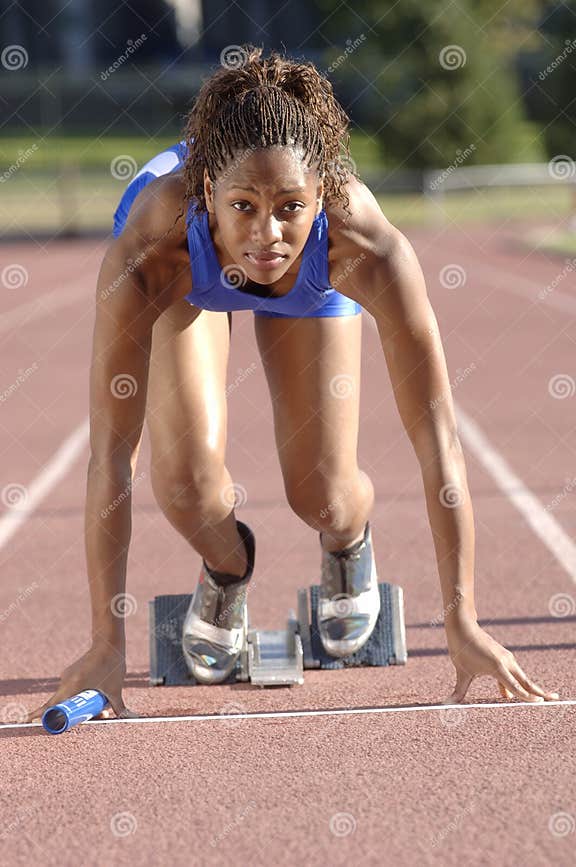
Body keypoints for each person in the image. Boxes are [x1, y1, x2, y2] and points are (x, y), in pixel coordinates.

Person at [27, 45, 559, 722]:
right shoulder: (149, 252)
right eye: (243, 206)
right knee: (184, 487)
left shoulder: (359, 243)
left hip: (313, 292)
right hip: (191, 284)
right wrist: (106, 641)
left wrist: (464, 617)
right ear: (206, 196)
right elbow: (109, 454)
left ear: (321, 196)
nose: (267, 234)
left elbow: (438, 436)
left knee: (322, 494)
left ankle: (349, 544)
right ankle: (226, 570)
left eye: (290, 206)